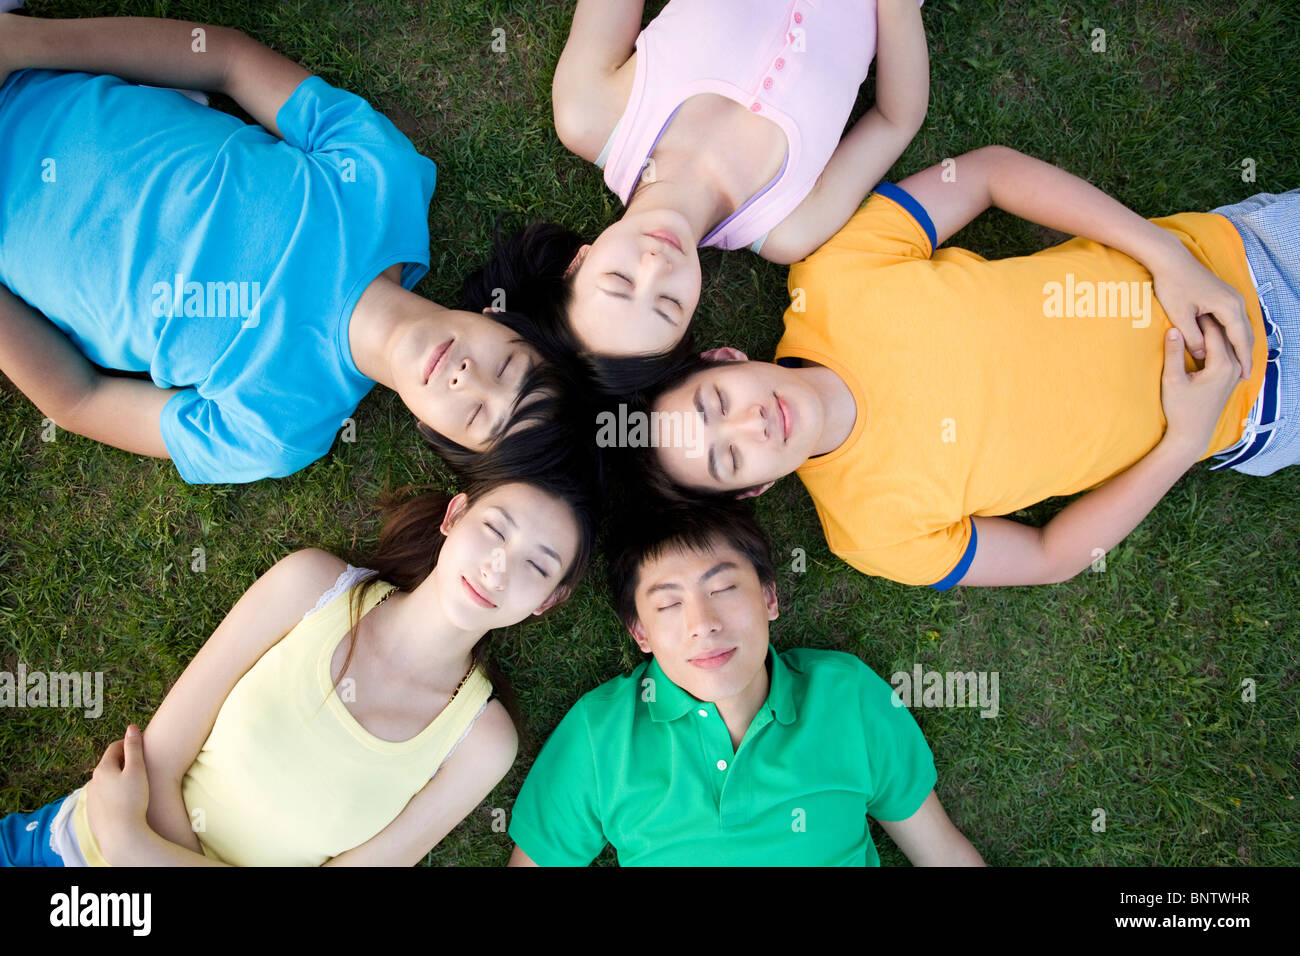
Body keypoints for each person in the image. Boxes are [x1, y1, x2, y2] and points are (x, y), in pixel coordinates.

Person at [639, 145, 1284, 589]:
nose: (750, 424)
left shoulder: (832, 271)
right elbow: (1049, 557)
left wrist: (1166, 256)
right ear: (753, 491)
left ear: (725, 358)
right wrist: (1184, 443)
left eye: (717, 402)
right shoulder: (870, 535)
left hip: (1237, 257)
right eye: (730, 460)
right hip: (1260, 411)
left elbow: (988, 174)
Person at [0, 12, 559, 483]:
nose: (469, 377)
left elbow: (80, 400)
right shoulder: (385, 182)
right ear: (501, 317)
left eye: (479, 417)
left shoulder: (276, 432)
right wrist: (23, 41)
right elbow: (229, 62)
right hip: (20, 82)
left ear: (435, 433)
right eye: (507, 366)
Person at [0, 475, 593, 866]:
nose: (497, 568)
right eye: (494, 529)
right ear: (454, 516)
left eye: (536, 567)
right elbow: (154, 760)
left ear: (547, 601)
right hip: (68, 854)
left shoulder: (481, 743)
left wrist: (137, 847)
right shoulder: (312, 587)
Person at [468, 0, 929, 393]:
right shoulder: (788, 225)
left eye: (620, 280)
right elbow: (895, 119)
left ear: (579, 260)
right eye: (668, 304)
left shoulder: (589, 112)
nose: (656, 265)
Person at [506, 498, 983, 866]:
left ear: (770, 597)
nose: (703, 623)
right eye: (669, 604)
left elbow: (940, 852)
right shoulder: (600, 733)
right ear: (641, 633)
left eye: (723, 588)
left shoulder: (847, 696)